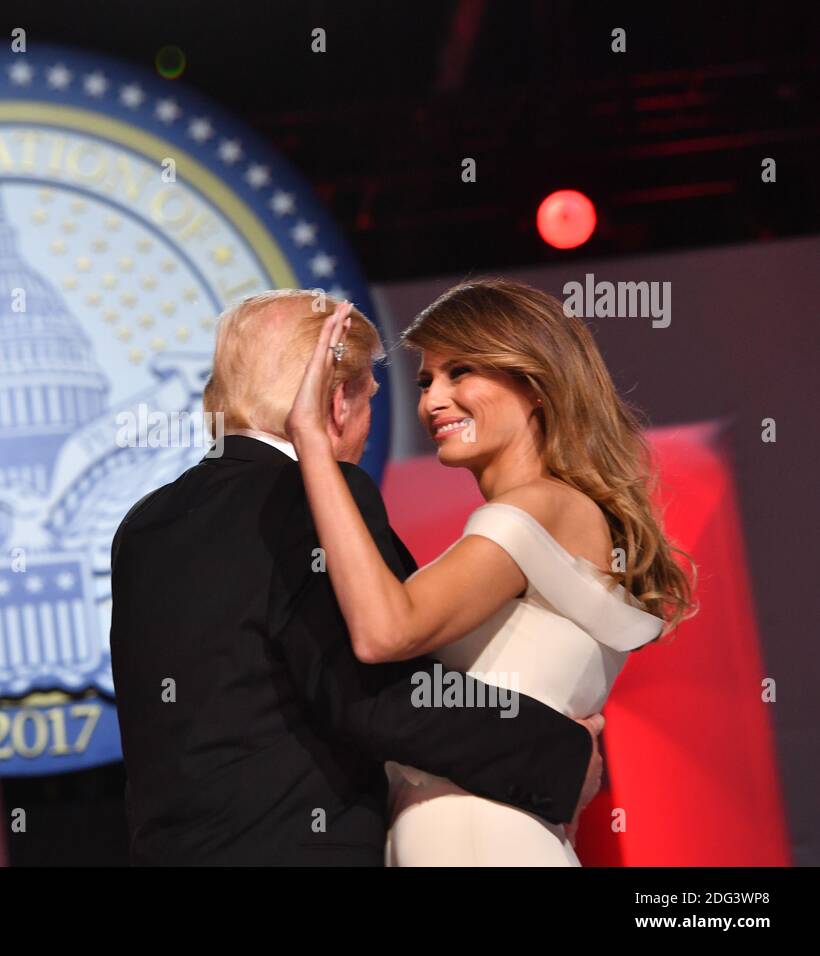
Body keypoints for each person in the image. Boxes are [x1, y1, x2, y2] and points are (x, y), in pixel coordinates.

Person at [109, 288, 605, 866]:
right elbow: (377, 698)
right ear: (337, 401)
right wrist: (564, 754)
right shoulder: (314, 501)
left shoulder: (146, 523)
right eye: (370, 396)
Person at [285, 278, 695, 865]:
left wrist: (313, 446)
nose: (432, 400)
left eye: (461, 372)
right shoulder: (560, 510)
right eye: (426, 380)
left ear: (534, 383)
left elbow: (384, 630)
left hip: (477, 836)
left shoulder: (533, 509)